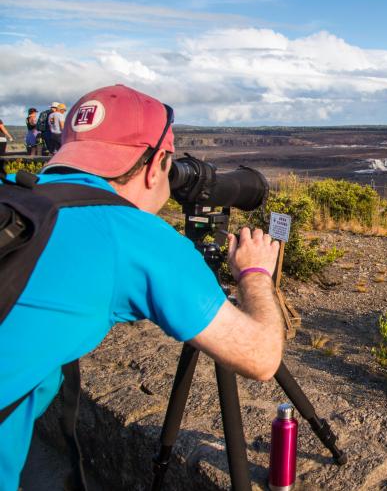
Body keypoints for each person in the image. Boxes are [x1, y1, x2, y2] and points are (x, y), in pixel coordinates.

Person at [0, 84, 285, 490]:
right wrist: (254, 274)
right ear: (156, 166)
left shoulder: (14, 193)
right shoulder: (133, 237)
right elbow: (262, 358)